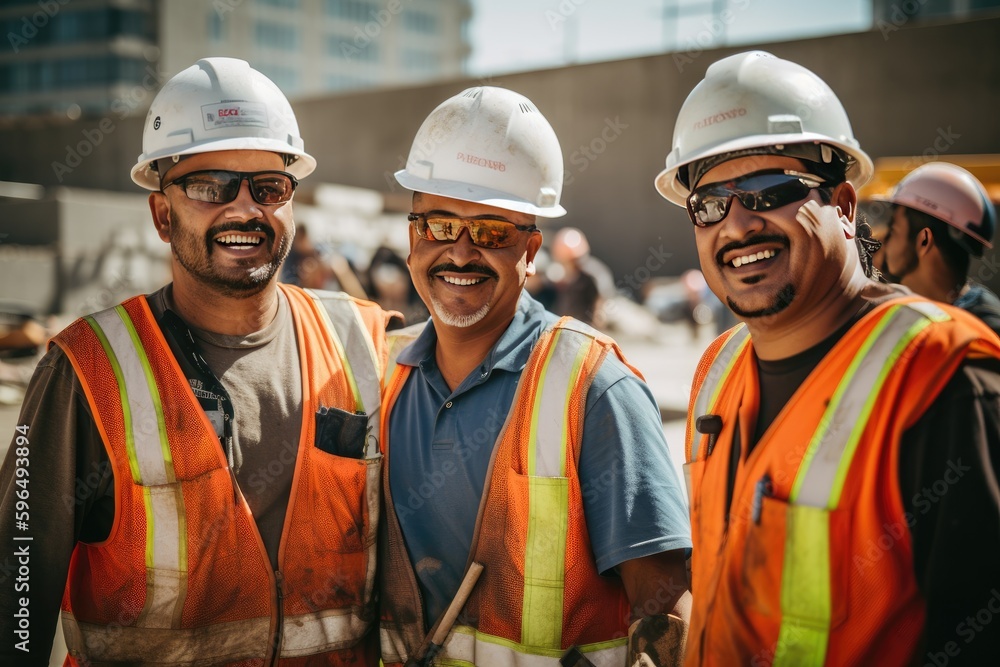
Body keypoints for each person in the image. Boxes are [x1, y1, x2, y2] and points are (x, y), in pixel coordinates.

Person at [0, 57, 396, 664]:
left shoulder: (362, 340)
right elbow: (16, 590)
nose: (244, 210)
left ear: (291, 203)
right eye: (210, 186)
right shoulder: (84, 371)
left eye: (268, 187)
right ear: (163, 215)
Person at [654, 50, 1000, 665]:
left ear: (842, 205)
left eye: (765, 191)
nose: (735, 227)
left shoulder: (941, 377)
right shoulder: (719, 372)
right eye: (708, 205)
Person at [379, 86, 692, 666]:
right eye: (441, 226)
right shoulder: (382, 374)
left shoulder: (595, 388)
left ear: (531, 248)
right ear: (412, 237)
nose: (462, 253)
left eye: (493, 232)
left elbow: (667, 611)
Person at [879, 161, 1000, 336]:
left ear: (924, 241)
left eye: (893, 230)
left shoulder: (982, 334)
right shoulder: (919, 313)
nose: (884, 240)